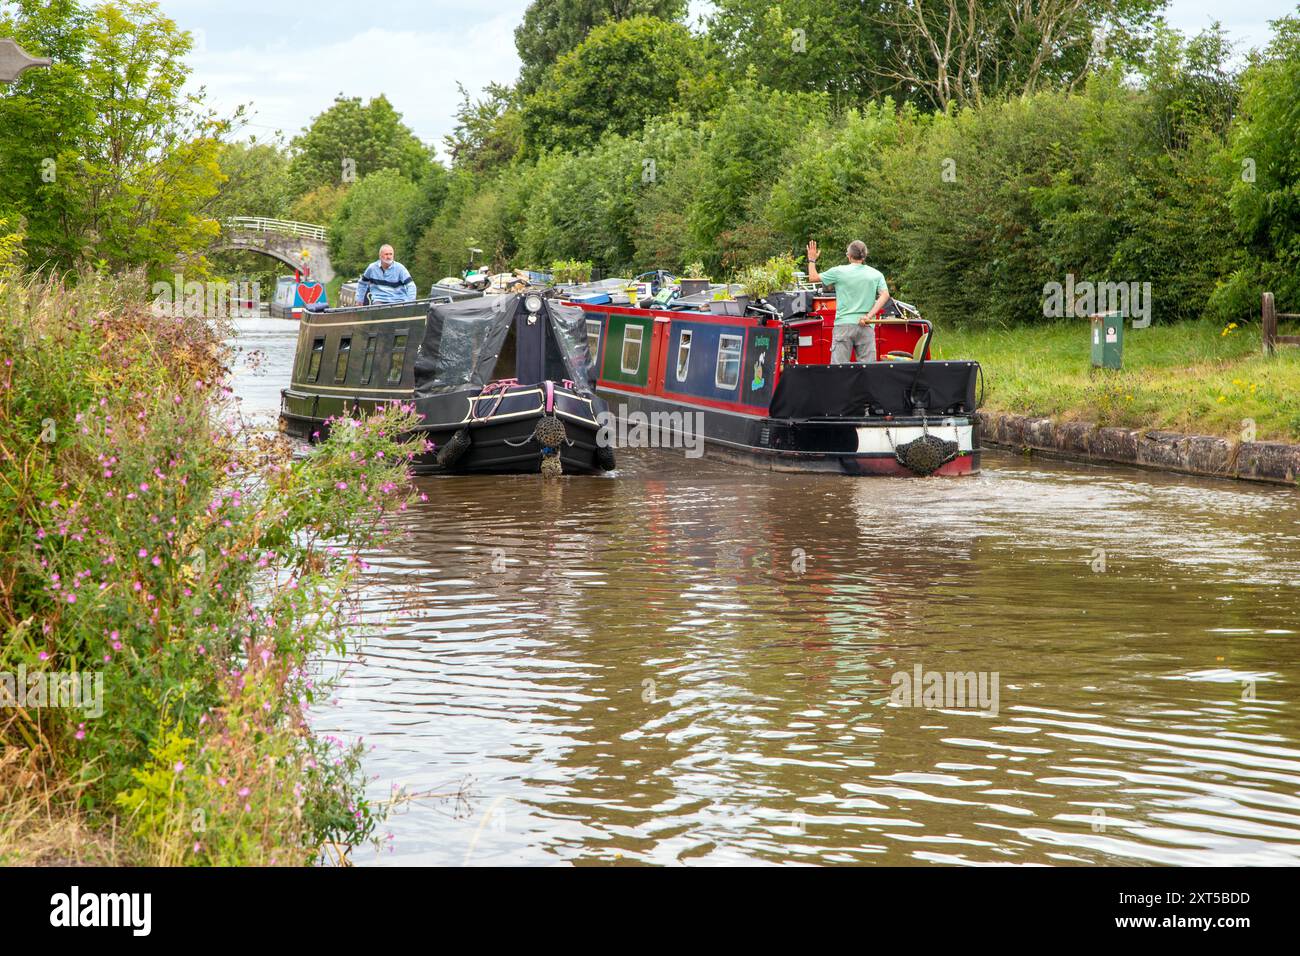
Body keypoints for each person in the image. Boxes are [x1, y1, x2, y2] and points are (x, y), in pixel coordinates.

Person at [806, 239, 891, 364]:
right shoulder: (876, 274)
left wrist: (812, 260)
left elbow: (813, 277)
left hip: (843, 326)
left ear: (849, 256)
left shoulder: (838, 271)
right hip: (867, 324)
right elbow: (885, 295)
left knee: (839, 371)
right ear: (864, 256)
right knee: (867, 371)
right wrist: (869, 315)